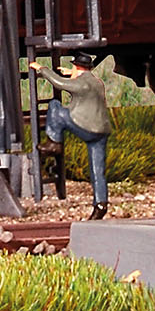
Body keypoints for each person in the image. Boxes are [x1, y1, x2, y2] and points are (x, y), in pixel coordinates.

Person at [32, 53, 111, 218]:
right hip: (101, 131)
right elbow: (80, 80)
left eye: (74, 68)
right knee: (98, 169)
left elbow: (59, 83)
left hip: (84, 126)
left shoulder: (81, 85)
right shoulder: (97, 82)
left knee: (55, 107)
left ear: (77, 67)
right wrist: (71, 73)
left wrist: (42, 69)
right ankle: (101, 205)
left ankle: (54, 142)